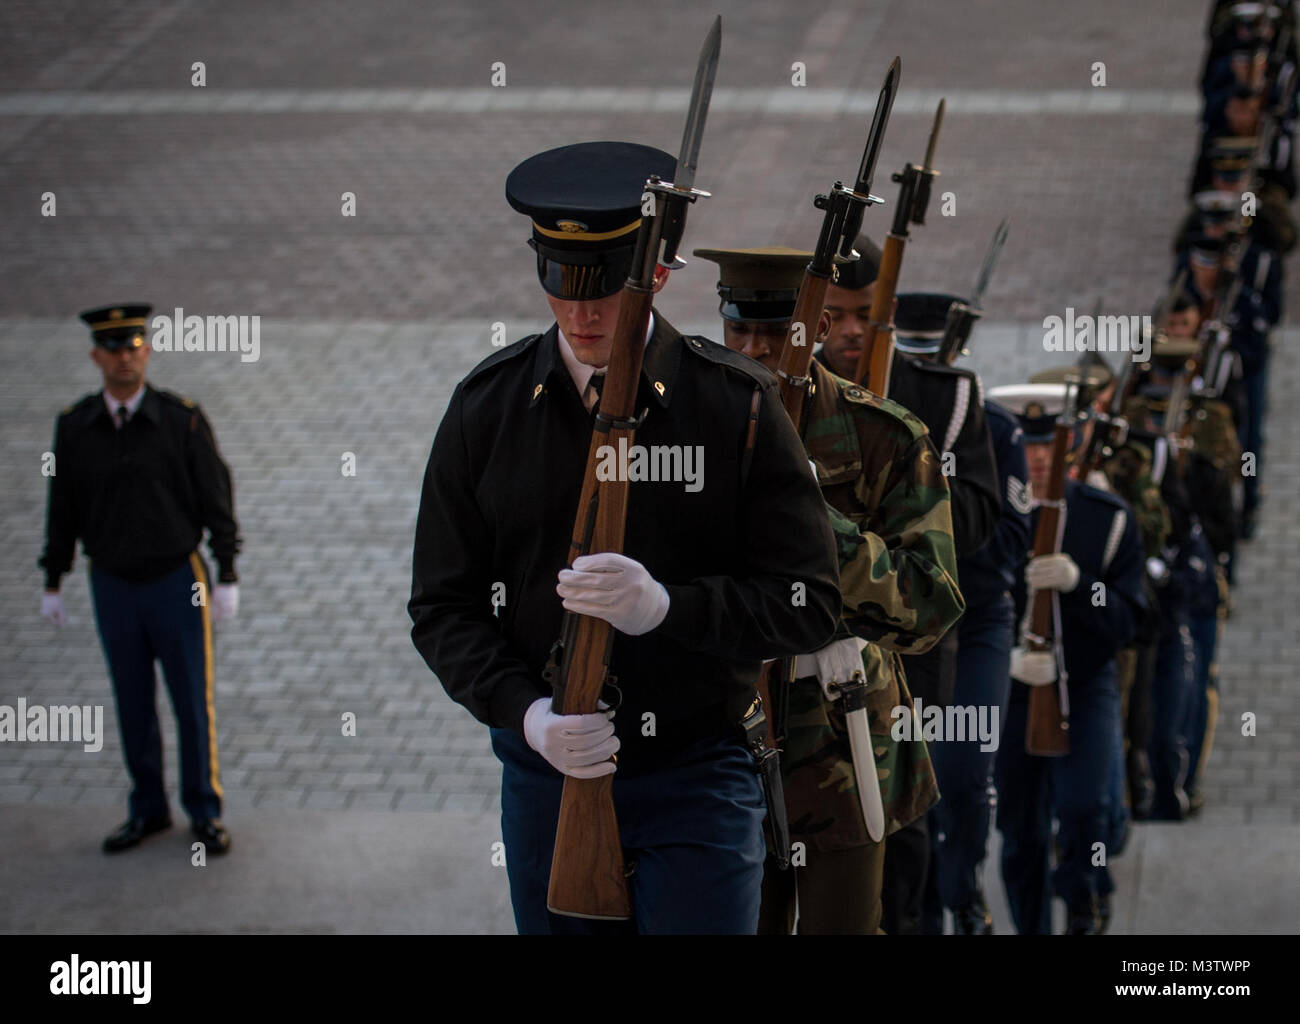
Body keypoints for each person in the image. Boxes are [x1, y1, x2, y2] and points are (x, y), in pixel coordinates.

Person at [409, 143, 842, 935]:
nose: (583, 316)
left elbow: (809, 603)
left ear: (658, 274)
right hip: (549, 776)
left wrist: (668, 608)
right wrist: (528, 714)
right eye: (562, 287)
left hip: (696, 769)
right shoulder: (487, 410)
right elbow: (443, 608)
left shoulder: (734, 408)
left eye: (606, 288)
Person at [695, 246, 963, 934]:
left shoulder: (882, 437)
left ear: (807, 329)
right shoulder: (690, 429)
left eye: (772, 329)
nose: (753, 348)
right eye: (738, 329)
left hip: (841, 743)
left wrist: (819, 525)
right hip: (718, 737)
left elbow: (930, 607)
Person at [816, 247, 1000, 934]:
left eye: (869, 314)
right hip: (804, 661)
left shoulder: (942, 397)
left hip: (905, 648)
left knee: (903, 825)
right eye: (835, 315)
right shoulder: (782, 394)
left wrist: (904, 493)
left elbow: (979, 517)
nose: (852, 331)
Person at [39, 304, 239, 855]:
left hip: (178, 580)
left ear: (146, 352)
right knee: (131, 701)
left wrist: (227, 572)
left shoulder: (181, 420)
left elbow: (216, 499)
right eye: (113, 349)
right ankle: (148, 810)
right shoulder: (76, 427)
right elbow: (64, 508)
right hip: (113, 585)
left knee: (191, 701)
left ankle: (203, 809)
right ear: (96, 357)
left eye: (133, 347)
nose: (124, 359)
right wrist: (53, 579)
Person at [897, 292, 1032, 934]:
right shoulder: (886, 419)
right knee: (914, 780)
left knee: (965, 768)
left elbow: (1012, 533)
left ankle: (964, 887)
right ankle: (923, 908)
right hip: (913, 624)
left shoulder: (997, 429)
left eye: (934, 353)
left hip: (975, 620)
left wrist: (935, 529)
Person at [990, 383, 1146, 935]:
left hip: (1082, 681)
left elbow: (1129, 616)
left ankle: (1083, 893)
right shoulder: (983, 513)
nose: (1036, 458)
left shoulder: (1108, 518)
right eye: (1025, 444)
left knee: (1084, 809)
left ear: (1073, 445)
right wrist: (1006, 659)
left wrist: (1084, 586)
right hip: (1009, 689)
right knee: (1019, 826)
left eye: (1048, 445)